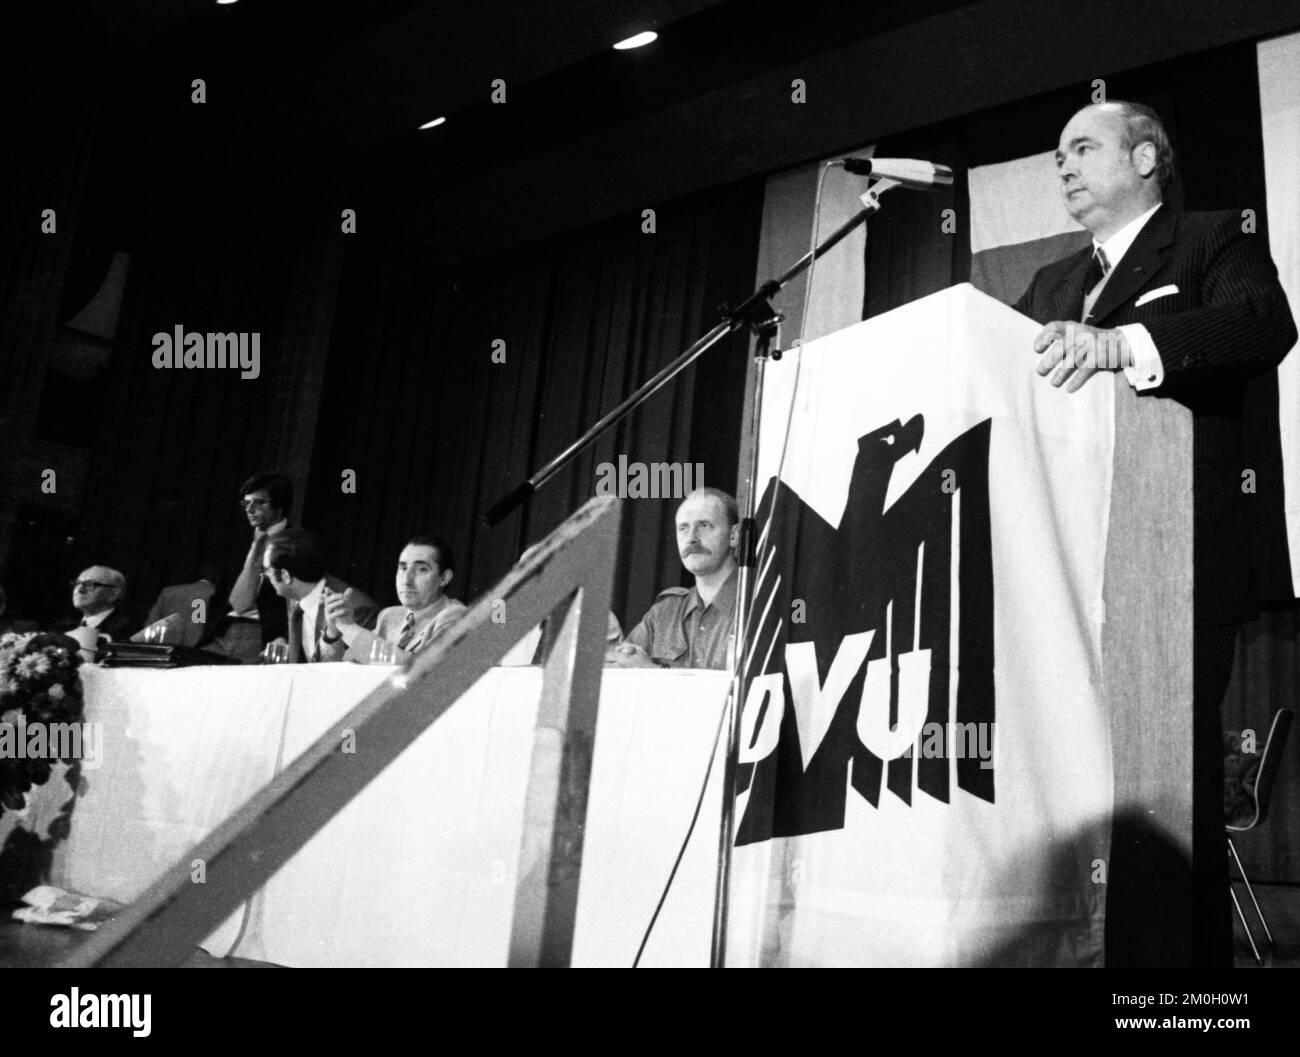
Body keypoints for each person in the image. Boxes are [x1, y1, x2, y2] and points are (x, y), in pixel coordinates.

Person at [1011, 100, 1297, 966]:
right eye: (1057, 154)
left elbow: (1262, 325)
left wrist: (1121, 345)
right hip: (1066, 570)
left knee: (1160, 802)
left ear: (1146, 158)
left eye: (1083, 147)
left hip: (1176, 562)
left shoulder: (1211, 241)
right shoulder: (1053, 286)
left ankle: (1179, 999)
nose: (1062, 165)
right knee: (1076, 794)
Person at [610, 487, 739, 670]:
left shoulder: (758, 605)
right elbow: (619, 669)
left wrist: (650, 673)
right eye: (683, 528)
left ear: (734, 535)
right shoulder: (664, 613)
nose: (691, 538)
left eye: (704, 525)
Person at [324, 533, 467, 665]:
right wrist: (332, 633)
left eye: (421, 569)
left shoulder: (457, 616)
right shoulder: (389, 616)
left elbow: (421, 671)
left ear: (444, 578)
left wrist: (349, 629)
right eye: (403, 568)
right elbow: (345, 667)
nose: (407, 580)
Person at [261, 529, 378, 663]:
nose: (265, 577)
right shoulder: (297, 599)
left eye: (267, 570)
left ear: (285, 576)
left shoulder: (353, 607)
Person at [48, 565, 139, 641]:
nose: (79, 590)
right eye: (77, 583)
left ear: (114, 594)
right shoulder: (61, 628)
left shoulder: (128, 630)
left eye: (89, 585)